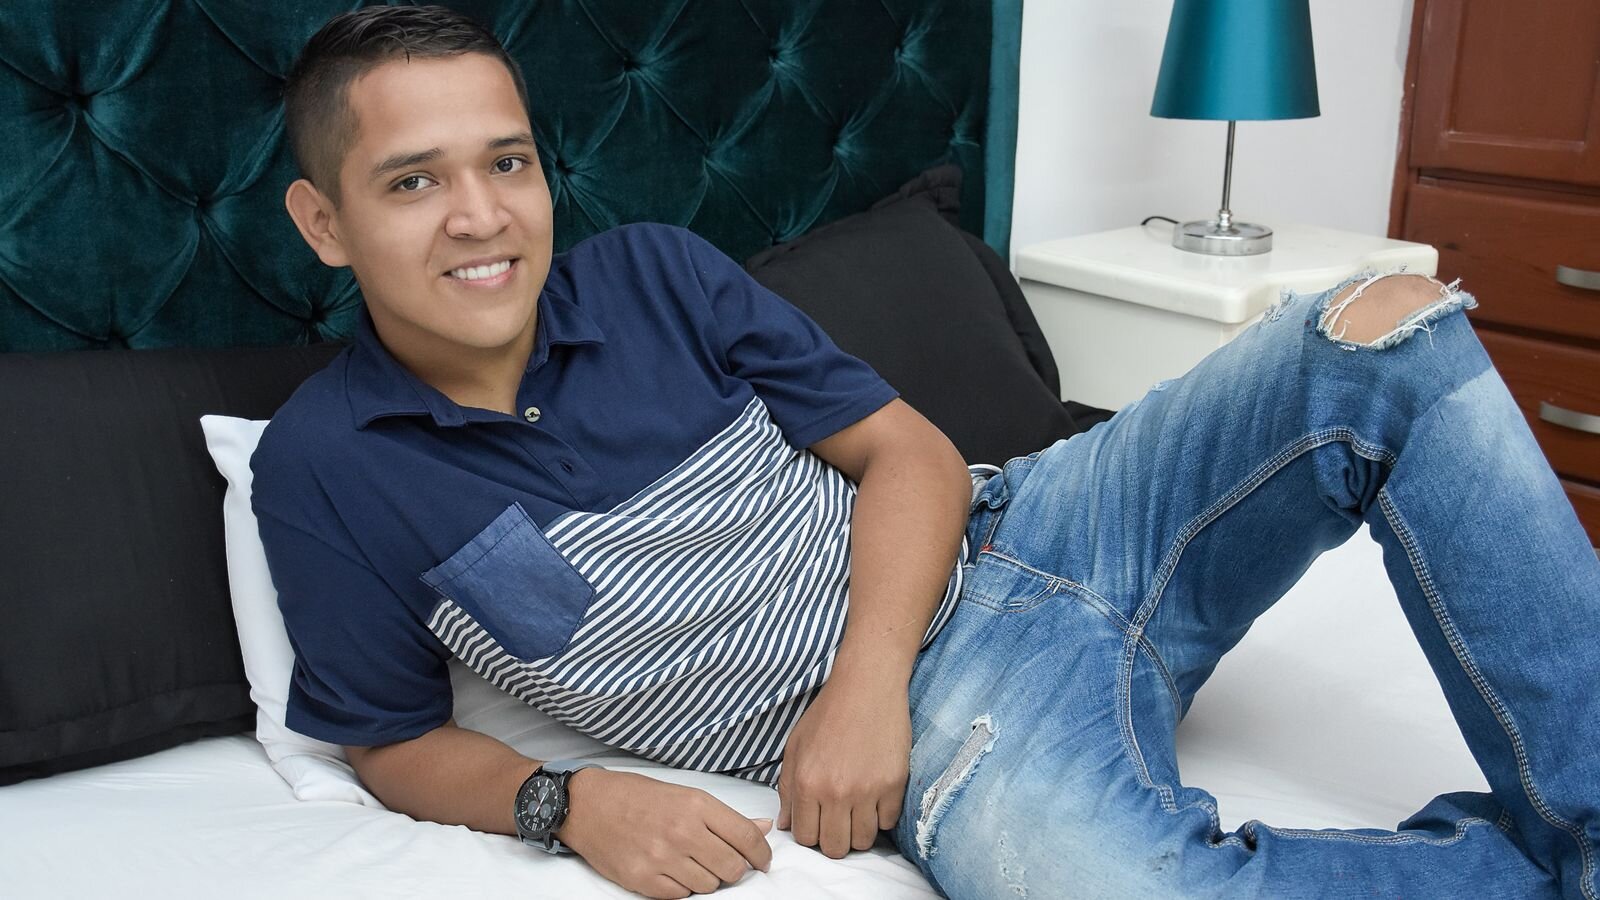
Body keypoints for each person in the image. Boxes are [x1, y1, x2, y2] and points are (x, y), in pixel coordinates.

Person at [260, 6, 1600, 899]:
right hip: (972, 718)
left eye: (508, 162)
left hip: (1038, 526)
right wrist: (572, 804)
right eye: (414, 180)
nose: (482, 216)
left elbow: (912, 455)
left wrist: (863, 692)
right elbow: (391, 741)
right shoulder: (327, 467)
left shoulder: (656, 273)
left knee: (1383, 326)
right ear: (323, 223)